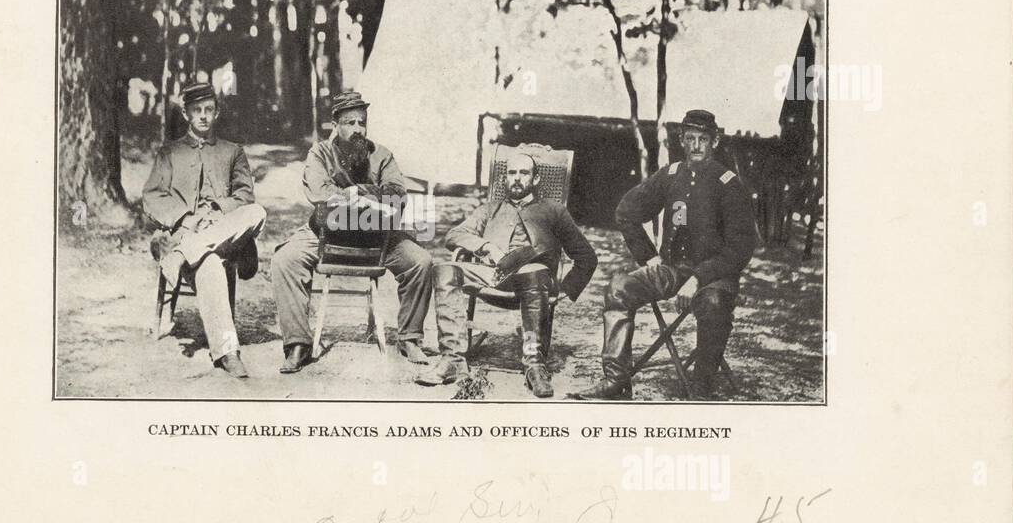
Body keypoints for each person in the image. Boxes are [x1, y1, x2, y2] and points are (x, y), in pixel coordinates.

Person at [570, 109, 756, 400]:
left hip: (715, 277)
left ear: (715, 141)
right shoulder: (670, 176)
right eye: (690, 138)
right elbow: (626, 211)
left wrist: (698, 278)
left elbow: (740, 248)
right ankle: (616, 380)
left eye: (703, 139)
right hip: (672, 269)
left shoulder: (729, 185)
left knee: (714, 304)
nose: (696, 146)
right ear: (681, 140)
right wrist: (648, 256)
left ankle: (701, 387)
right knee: (619, 288)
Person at [270, 91, 433, 373]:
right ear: (335, 125)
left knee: (421, 262)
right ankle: (297, 343)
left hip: (375, 236)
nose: (357, 129)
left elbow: (398, 196)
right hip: (326, 233)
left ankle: (409, 337)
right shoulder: (319, 153)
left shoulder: (381, 156)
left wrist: (357, 192)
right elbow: (320, 194)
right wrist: (369, 198)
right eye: (350, 122)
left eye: (362, 122)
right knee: (285, 260)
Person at [417, 150, 597, 398]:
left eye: (524, 173)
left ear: (535, 179)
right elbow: (453, 235)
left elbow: (586, 256)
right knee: (445, 270)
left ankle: (535, 364)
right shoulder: (489, 209)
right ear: (504, 179)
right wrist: (485, 246)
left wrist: (565, 289)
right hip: (490, 274)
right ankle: (452, 358)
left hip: (533, 277)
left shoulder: (554, 211)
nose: (516, 178)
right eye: (511, 173)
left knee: (533, 272)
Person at [141, 82, 267, 378]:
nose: (203, 116)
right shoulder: (169, 153)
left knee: (257, 212)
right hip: (186, 232)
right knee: (209, 264)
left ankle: (182, 255)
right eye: (196, 110)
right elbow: (152, 197)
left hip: (224, 231)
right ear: (185, 114)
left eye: (209, 109)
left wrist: (217, 211)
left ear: (217, 112)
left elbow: (245, 196)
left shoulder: (232, 151)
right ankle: (226, 351)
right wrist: (185, 218)